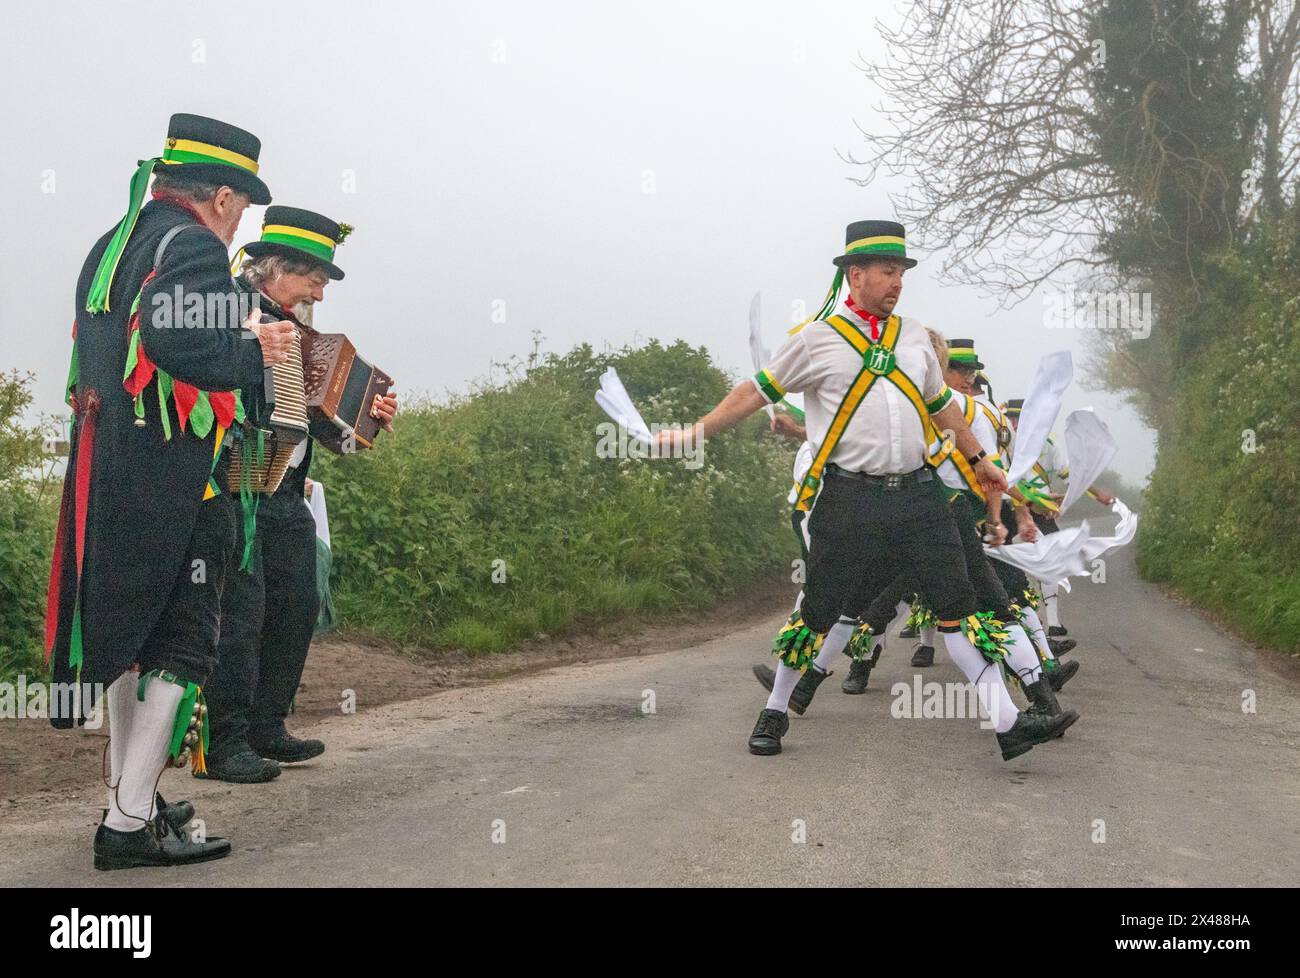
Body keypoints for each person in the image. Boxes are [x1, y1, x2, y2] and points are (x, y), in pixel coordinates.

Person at [657, 220, 1075, 760]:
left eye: (900, 271)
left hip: (921, 498)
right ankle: (775, 711)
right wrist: (694, 432)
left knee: (961, 608)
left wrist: (979, 459)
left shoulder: (914, 337)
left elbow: (941, 407)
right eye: (885, 271)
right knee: (818, 611)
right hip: (850, 500)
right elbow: (754, 393)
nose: (896, 282)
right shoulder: (815, 339)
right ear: (855, 275)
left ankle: (1009, 725)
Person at [47, 113, 296, 869]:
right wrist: (259, 351)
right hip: (172, 482)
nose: (241, 223)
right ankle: (126, 823)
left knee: (130, 640)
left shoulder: (114, 244)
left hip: (107, 471)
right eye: (243, 208)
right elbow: (176, 343)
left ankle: (136, 798)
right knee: (185, 643)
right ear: (222, 197)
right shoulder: (190, 245)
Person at [201, 207, 397, 783]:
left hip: (286, 487)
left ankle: (266, 726)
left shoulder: (305, 337)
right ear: (276, 268)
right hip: (234, 482)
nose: (320, 292)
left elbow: (333, 434)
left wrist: (371, 423)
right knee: (241, 611)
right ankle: (222, 741)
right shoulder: (227, 309)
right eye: (314, 279)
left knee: (296, 603)